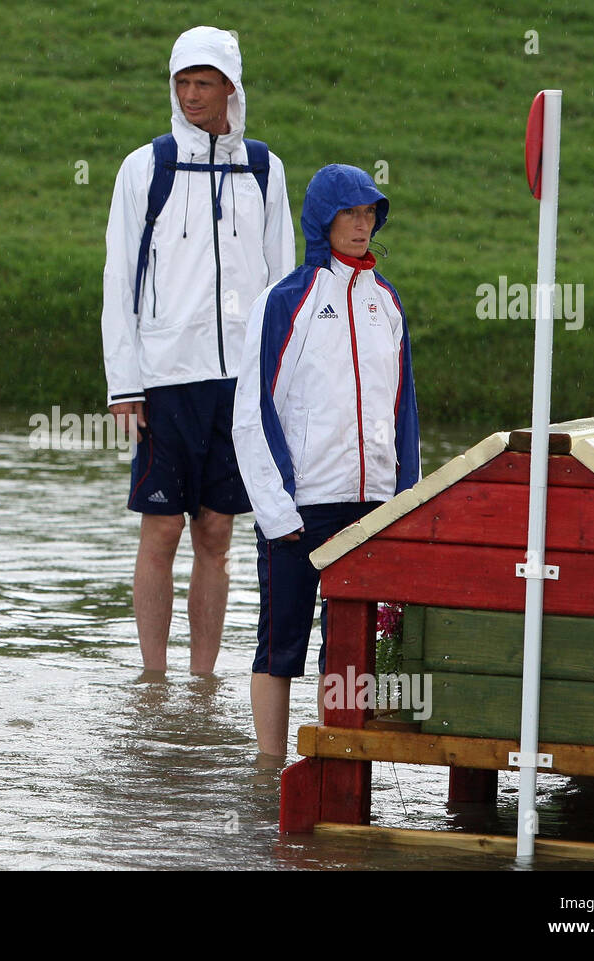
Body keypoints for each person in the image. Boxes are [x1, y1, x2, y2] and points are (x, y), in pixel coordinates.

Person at [101, 25, 295, 676]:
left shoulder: (264, 169)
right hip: (163, 379)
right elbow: (118, 279)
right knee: (161, 530)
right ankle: (153, 679)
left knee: (217, 533)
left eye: (203, 83)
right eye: (181, 82)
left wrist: (280, 385)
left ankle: (204, 680)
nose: (190, 95)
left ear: (231, 89)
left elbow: (282, 283)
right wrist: (124, 382)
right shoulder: (146, 167)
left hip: (239, 385)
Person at [232, 163, 421, 757]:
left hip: (372, 508)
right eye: (350, 213)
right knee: (279, 645)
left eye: (370, 213)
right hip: (300, 506)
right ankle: (269, 773)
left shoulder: (387, 303)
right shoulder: (285, 300)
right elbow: (251, 413)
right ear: (322, 219)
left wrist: (406, 508)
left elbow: (404, 415)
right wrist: (275, 509)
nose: (362, 225)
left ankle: (331, 763)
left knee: (350, 647)